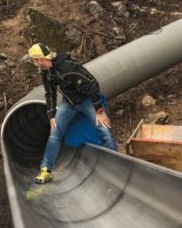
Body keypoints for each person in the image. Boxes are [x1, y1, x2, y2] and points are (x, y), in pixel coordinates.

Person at [26, 42, 116, 185]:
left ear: (41, 59)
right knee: (55, 133)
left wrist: (99, 110)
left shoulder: (67, 68)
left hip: (87, 101)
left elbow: (92, 86)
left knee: (104, 130)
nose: (34, 64)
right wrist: (51, 115)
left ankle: (116, 169)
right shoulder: (47, 72)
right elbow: (50, 93)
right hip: (69, 104)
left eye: (34, 61)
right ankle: (45, 170)